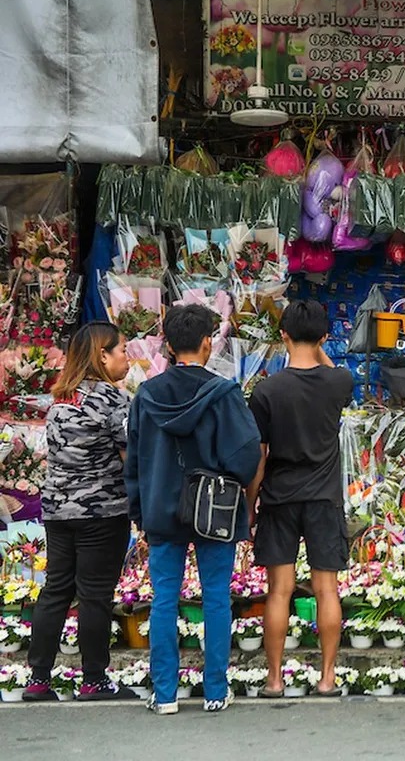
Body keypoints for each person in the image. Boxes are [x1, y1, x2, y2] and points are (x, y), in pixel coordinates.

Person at [125, 305, 263, 715]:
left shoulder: (146, 396)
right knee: (216, 597)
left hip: (161, 508)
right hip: (214, 508)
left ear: (167, 345)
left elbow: (134, 461)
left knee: (164, 599)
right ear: (208, 343)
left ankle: (165, 693)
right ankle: (216, 690)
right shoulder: (224, 393)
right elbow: (246, 455)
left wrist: (140, 512)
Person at [23, 323, 136, 702]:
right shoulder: (113, 401)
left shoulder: (60, 399)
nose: (127, 358)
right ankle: (94, 679)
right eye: (122, 350)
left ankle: (38, 679)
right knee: (94, 595)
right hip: (101, 511)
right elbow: (131, 457)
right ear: (102, 355)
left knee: (56, 589)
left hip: (58, 511)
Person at [248, 301, 354, 698]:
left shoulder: (266, 391)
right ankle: (327, 678)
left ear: (283, 336)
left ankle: (275, 680)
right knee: (327, 590)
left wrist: (250, 506)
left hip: (279, 497)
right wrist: (319, 349)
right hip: (324, 498)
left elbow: (259, 457)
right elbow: (332, 371)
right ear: (325, 337)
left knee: (279, 590)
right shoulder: (338, 382)